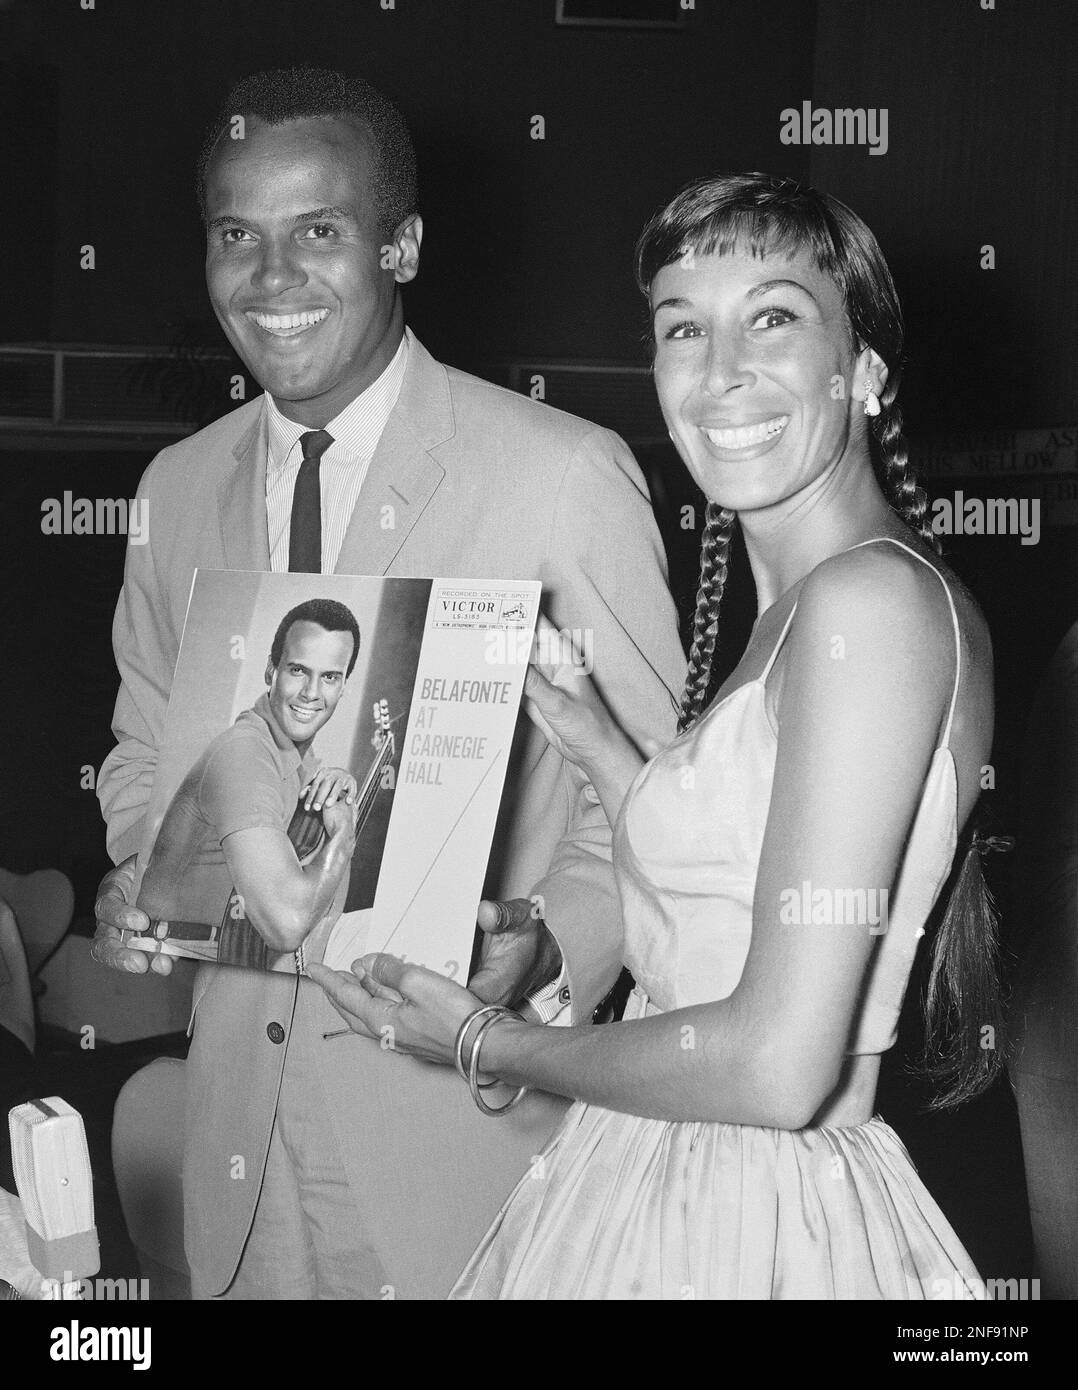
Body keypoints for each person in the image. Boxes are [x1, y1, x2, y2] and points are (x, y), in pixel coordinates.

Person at [310, 172, 1003, 1300]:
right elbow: (724, 899)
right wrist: (587, 735)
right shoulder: (807, 607)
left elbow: (778, 1064)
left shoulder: (866, 609)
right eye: (684, 327)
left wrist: (484, 1039)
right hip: (671, 1173)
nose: (719, 369)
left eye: (772, 317)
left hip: (754, 1212)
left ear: (863, 369)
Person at [90, 67, 686, 1299]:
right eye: (235, 236)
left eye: (319, 231)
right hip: (236, 1158)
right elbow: (146, 743)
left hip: (465, 1145)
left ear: (401, 244)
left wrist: (550, 945)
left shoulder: (560, 475)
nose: (271, 278)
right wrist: (147, 876)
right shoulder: (174, 489)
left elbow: (656, 809)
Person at [136, 599, 362, 972]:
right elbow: (287, 926)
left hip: (235, 957)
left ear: (343, 687)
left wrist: (339, 784)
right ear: (271, 672)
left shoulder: (289, 756)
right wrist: (342, 837)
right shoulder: (245, 754)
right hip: (173, 966)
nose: (311, 692)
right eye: (297, 670)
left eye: (330, 677)